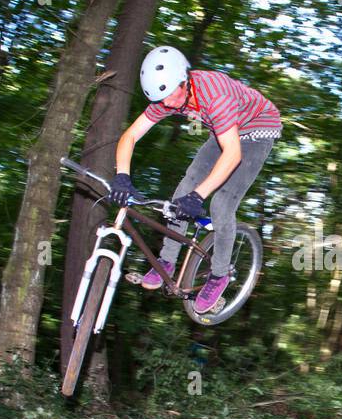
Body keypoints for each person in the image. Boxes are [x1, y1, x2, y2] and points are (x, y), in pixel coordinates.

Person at [109, 46, 281, 314]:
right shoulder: (167, 95)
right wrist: (121, 175)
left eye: (170, 97)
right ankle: (166, 260)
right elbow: (130, 136)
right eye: (161, 100)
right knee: (182, 193)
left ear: (184, 80)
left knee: (221, 204)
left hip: (259, 131)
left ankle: (220, 274)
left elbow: (233, 154)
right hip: (225, 129)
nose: (167, 105)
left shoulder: (215, 97)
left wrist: (199, 196)